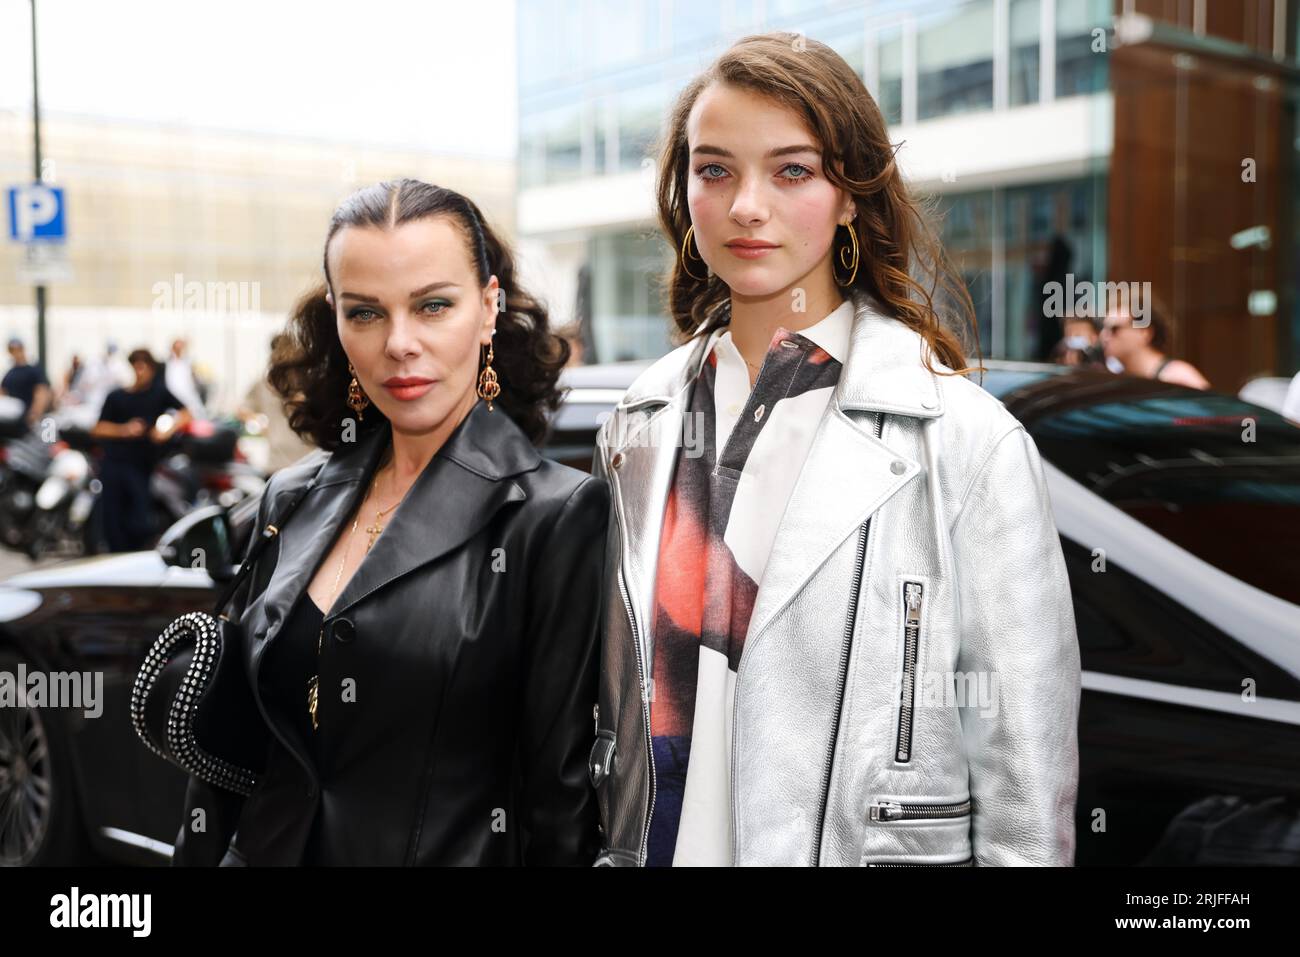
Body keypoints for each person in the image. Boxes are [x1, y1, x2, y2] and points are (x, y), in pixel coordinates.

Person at [590, 33, 1080, 867]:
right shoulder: (636, 425)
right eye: (714, 170)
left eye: (792, 170)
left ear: (851, 195)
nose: (747, 205)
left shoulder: (963, 440)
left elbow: (1024, 788)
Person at [161, 178, 608, 866]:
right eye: (366, 312)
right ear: (337, 319)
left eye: (433, 305)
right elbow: (239, 763)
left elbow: (560, 805)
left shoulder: (554, 518)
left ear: (488, 307)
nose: (399, 343)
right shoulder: (291, 497)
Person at [90, 349, 193, 552]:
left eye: (144, 366)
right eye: (137, 366)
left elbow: (186, 412)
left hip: (142, 466)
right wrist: (124, 430)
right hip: (115, 464)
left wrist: (166, 429)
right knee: (113, 519)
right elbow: (98, 429)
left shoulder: (159, 394)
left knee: (140, 520)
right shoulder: (116, 397)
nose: (140, 371)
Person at [235, 333, 316, 474]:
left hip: (301, 460)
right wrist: (262, 425)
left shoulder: (308, 382)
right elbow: (242, 410)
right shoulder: (264, 383)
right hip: (285, 461)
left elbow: (242, 410)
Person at [1100, 297, 1210, 389]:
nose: (1103, 336)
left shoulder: (1177, 376)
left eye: (1114, 329)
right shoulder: (1120, 378)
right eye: (1103, 328)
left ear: (1144, 333)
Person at [0, 337, 52, 429]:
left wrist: (34, 414)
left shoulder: (34, 370)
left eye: (18, 349)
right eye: (12, 350)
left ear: (23, 349)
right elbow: (2, 393)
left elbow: (42, 392)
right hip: (11, 419)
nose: (16, 353)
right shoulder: (10, 373)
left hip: (26, 417)